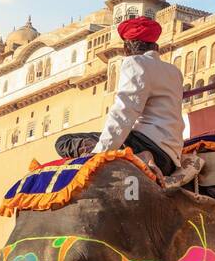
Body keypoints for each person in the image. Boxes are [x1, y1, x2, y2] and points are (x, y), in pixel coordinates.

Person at [54, 16, 184, 175]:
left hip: (145, 146)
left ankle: (136, 156)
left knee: (63, 142)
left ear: (127, 48)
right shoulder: (174, 72)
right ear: (155, 47)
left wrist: (100, 153)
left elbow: (125, 111)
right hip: (170, 158)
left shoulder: (135, 62)